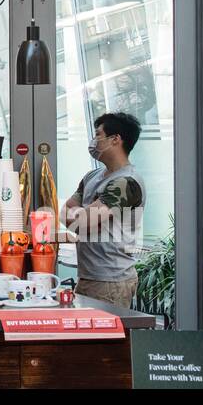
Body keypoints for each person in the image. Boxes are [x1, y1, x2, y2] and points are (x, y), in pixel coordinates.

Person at [63, 112, 145, 308]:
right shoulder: (92, 176)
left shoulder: (126, 182)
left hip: (110, 281)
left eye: (98, 135)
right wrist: (83, 220)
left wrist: (82, 220)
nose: (93, 141)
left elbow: (79, 222)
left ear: (115, 139)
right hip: (88, 276)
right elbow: (66, 213)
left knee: (102, 338)